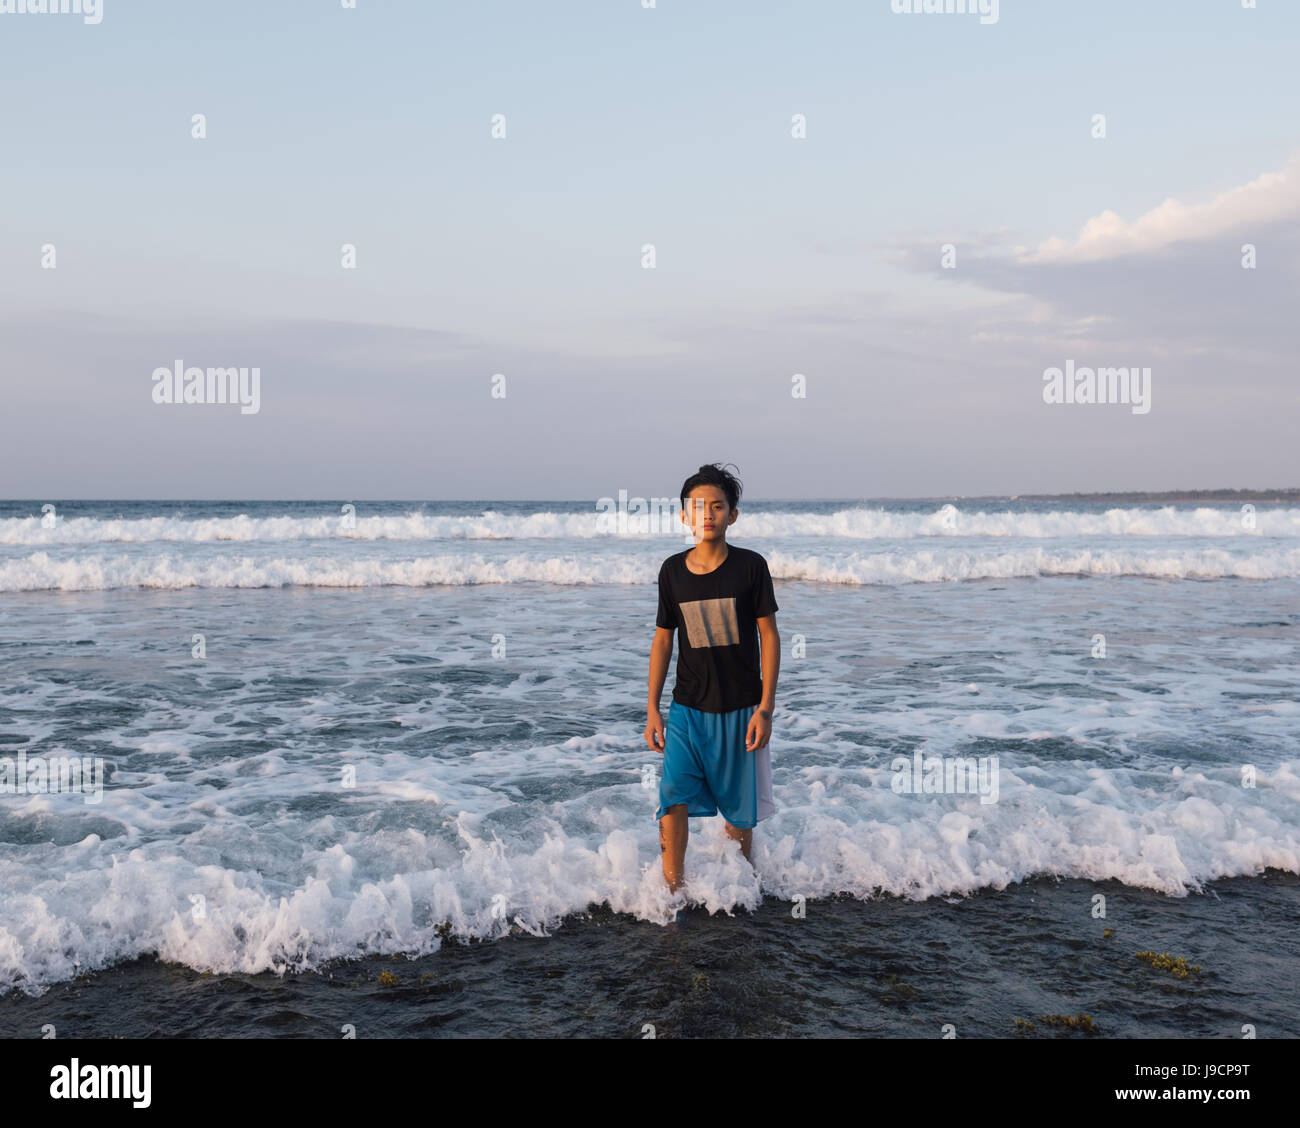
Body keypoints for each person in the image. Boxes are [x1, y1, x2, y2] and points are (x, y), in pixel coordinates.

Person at [644, 462, 780, 894]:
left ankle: (742, 889)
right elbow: (663, 640)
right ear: (684, 515)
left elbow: (770, 637)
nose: (707, 514)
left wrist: (765, 709)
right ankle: (672, 892)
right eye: (697, 507)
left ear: (732, 514)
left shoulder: (751, 567)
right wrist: (652, 707)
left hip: (741, 711)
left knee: (740, 815)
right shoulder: (672, 571)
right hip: (687, 709)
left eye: (717, 506)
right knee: (672, 798)